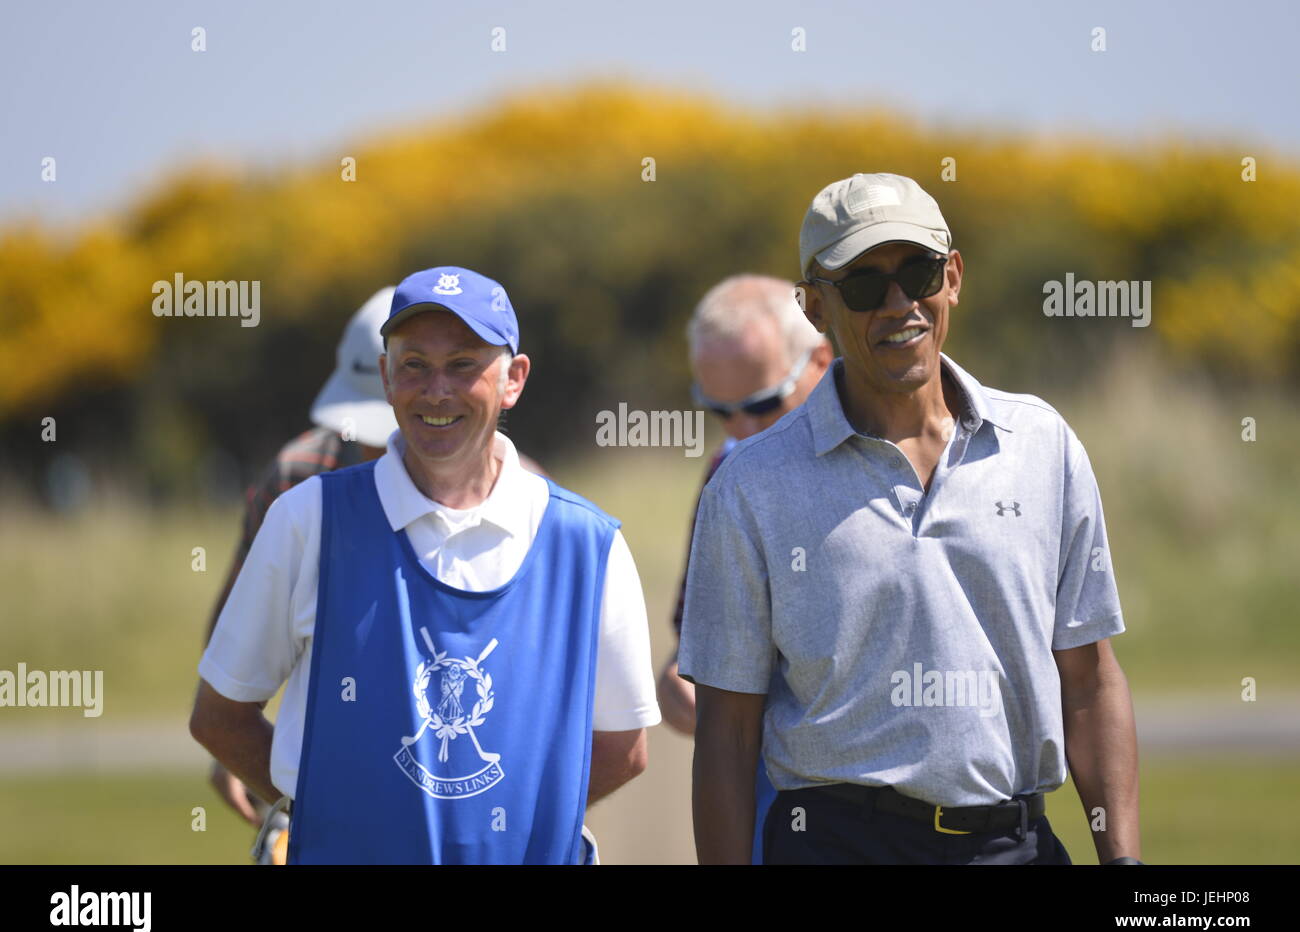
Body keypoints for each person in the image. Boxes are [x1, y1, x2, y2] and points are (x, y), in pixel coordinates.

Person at [680, 173, 1142, 865]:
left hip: (1011, 843)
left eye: (918, 272)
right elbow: (728, 730)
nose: (900, 305)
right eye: (864, 285)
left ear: (952, 276)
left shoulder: (1042, 446)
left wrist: (1125, 864)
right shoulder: (749, 486)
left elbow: (1090, 678)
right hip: (834, 843)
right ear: (814, 308)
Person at [191, 266, 661, 864]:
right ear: (387, 377)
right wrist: (335, 819)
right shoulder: (305, 517)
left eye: (464, 363)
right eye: (415, 364)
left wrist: (510, 829)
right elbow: (220, 715)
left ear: (514, 378)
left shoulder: (588, 543)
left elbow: (624, 747)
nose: (436, 389)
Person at [203, 286, 397, 830]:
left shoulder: (510, 489)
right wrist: (234, 749)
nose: (374, 450)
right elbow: (233, 636)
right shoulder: (296, 475)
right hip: (322, 766)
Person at [655, 275, 831, 863]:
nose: (741, 431)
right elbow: (692, 646)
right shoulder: (726, 472)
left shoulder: (895, 454)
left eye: (761, 404)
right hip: (772, 806)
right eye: (718, 410)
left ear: (822, 361)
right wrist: (679, 685)